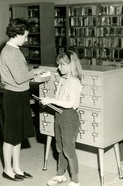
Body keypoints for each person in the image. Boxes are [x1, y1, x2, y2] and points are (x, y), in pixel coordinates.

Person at [0, 18, 44, 182]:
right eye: (25, 36)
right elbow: (19, 77)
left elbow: (20, 73)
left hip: (20, 94)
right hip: (13, 97)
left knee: (17, 135)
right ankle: (7, 169)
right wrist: (36, 72)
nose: (26, 39)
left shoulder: (14, 49)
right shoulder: (10, 52)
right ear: (17, 34)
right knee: (10, 136)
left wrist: (30, 72)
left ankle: (16, 167)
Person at [40, 51, 83, 186]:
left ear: (71, 66)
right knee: (59, 146)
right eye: (59, 65)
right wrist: (50, 101)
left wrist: (50, 100)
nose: (59, 68)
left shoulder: (75, 82)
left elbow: (70, 103)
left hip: (69, 116)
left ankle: (75, 181)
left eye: (62, 65)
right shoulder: (63, 80)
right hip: (59, 115)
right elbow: (59, 99)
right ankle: (60, 175)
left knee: (68, 149)